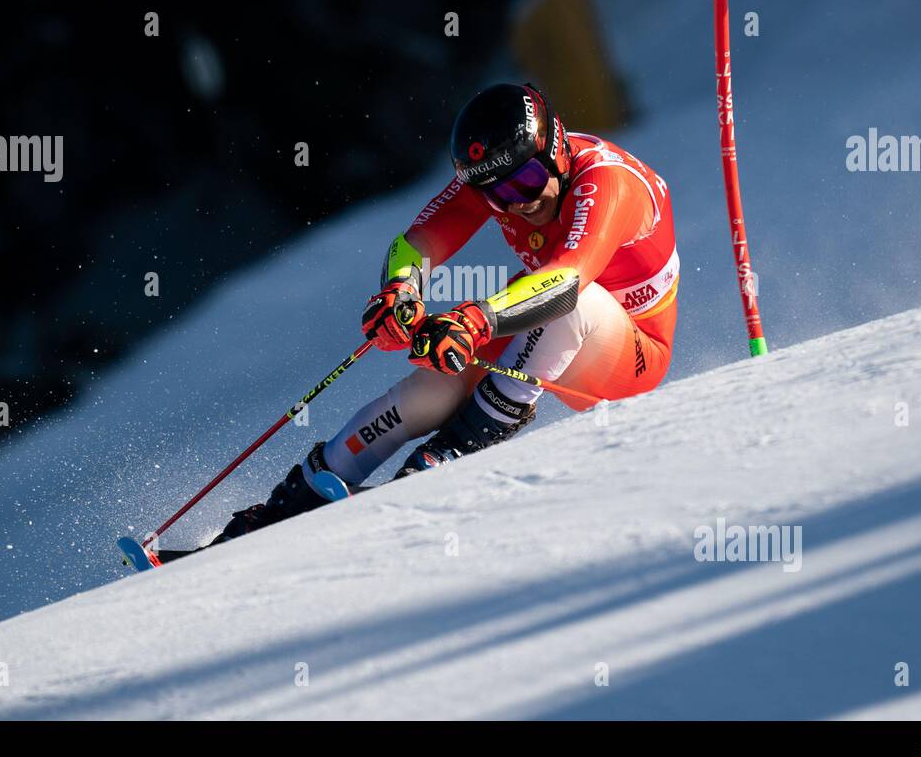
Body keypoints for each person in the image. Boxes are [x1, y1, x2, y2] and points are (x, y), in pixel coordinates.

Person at [214, 82, 679, 541]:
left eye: (528, 181)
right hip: (549, 334)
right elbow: (416, 243)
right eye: (498, 197)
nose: (519, 201)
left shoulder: (607, 181)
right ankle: (294, 500)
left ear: (556, 150)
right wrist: (400, 290)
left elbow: (568, 281)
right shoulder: (499, 179)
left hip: (631, 356)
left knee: (569, 306)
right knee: (438, 375)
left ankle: (450, 454)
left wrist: (476, 320)